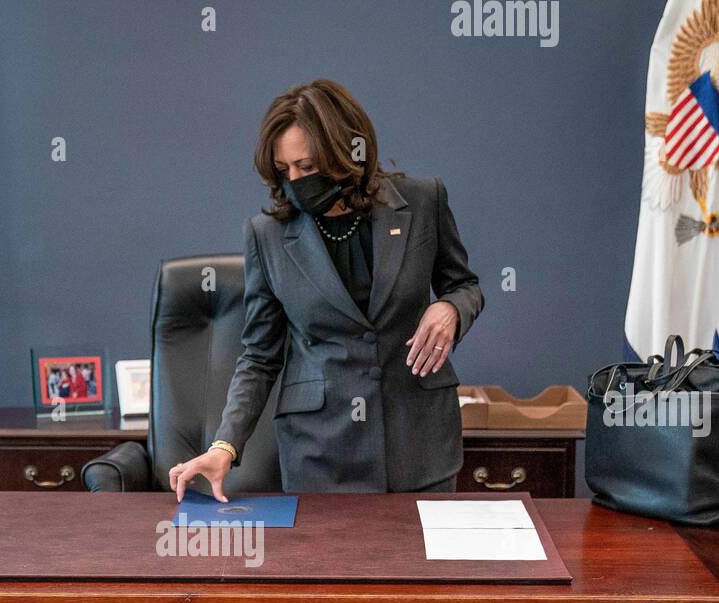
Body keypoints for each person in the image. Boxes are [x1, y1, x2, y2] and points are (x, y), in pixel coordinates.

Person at [171, 78, 484, 501]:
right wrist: (224, 445)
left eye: (308, 166)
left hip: (418, 441)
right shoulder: (268, 235)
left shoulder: (422, 200)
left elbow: (464, 284)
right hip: (321, 453)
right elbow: (260, 357)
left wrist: (450, 308)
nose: (296, 180)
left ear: (347, 152)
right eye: (285, 170)